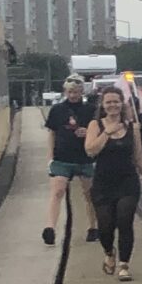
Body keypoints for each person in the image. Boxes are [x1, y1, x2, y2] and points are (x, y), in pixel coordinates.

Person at [83, 88, 142, 280]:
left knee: (125, 219)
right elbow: (90, 150)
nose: (113, 105)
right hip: (103, 182)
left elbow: (138, 156)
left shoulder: (132, 127)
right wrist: (107, 132)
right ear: (103, 105)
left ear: (122, 103)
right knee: (105, 226)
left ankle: (124, 264)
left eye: (116, 101)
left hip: (127, 181)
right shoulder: (95, 125)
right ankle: (109, 252)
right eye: (109, 102)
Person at [42, 75, 97, 246]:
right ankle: (50, 227)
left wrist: (87, 132)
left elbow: (98, 131)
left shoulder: (91, 110)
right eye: (70, 92)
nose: (73, 95)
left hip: (85, 157)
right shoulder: (57, 110)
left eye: (76, 92)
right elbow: (52, 132)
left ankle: (92, 226)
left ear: (82, 92)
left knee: (89, 194)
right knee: (57, 191)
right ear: (65, 92)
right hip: (62, 157)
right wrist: (50, 156)